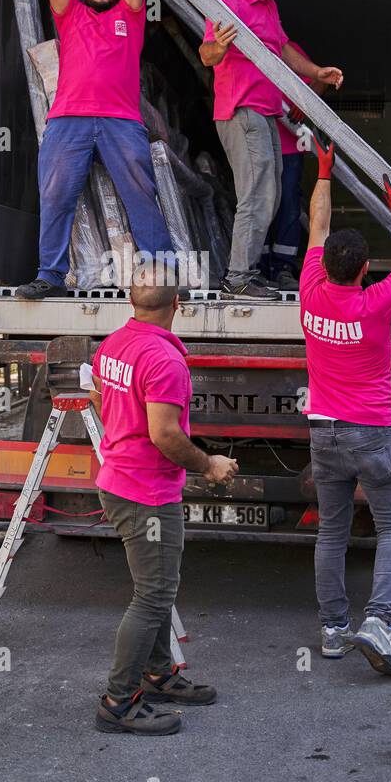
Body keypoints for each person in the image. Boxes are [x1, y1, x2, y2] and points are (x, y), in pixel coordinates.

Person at [300, 138, 391, 677]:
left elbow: (317, 228)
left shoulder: (310, 289)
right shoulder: (376, 303)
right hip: (373, 433)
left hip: (323, 433)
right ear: (365, 269)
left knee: (331, 532)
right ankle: (378, 622)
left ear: (327, 265)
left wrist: (325, 173)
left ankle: (332, 631)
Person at [90, 263, 238, 735]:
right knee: (153, 598)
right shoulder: (165, 360)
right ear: (178, 305)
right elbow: (164, 434)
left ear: (131, 302)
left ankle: (156, 675)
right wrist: (209, 464)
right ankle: (118, 703)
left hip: (118, 480)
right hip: (146, 493)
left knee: (155, 591)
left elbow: (98, 398)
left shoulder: (113, 345)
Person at [16, 0, 173, 299]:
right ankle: (50, 275)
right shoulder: (71, 15)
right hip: (69, 119)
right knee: (54, 195)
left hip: (121, 121)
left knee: (140, 194)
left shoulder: (130, 14)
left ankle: (165, 276)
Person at [199, 0, 344, 298]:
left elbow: (283, 48)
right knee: (257, 195)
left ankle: (246, 272)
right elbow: (207, 54)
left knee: (273, 195)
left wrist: (316, 72)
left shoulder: (268, 6)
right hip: (241, 109)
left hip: (265, 113)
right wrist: (219, 45)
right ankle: (238, 277)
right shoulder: (226, 1)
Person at [260, 41, 313, 289]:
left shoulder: (288, 49)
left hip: (291, 144)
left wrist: (305, 104)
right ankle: (257, 266)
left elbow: (319, 78)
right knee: (258, 204)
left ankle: (283, 267)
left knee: (288, 204)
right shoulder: (244, 47)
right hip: (258, 143)